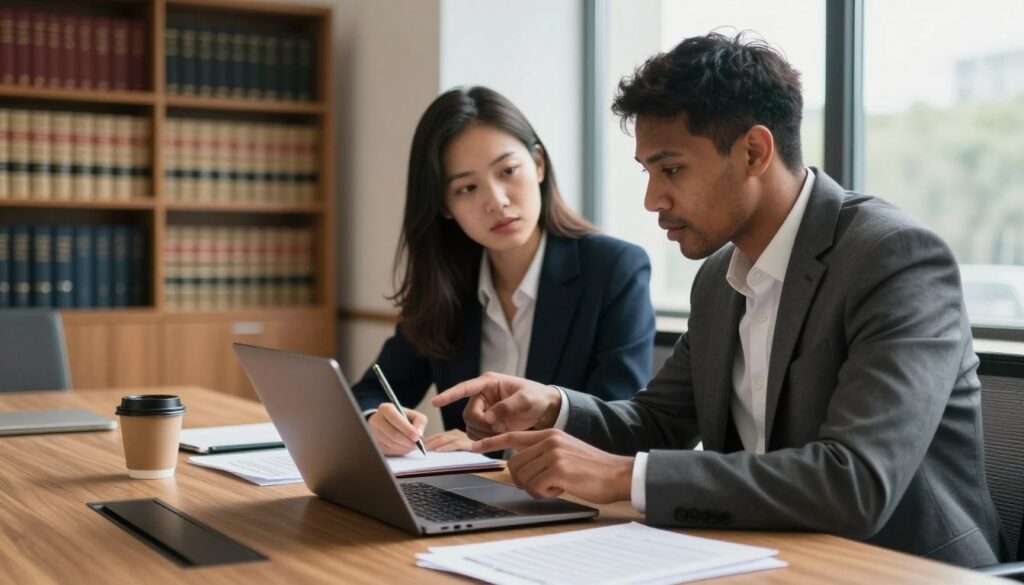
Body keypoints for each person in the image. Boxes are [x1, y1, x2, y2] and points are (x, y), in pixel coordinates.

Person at [433, 33, 1001, 567]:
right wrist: (554, 405)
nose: (654, 199)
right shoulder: (719, 278)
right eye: (647, 172)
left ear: (754, 151)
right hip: (761, 557)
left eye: (671, 168)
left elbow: (855, 481)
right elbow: (659, 423)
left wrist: (622, 477)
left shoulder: (894, 258)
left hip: (898, 569)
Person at [351, 86, 655, 457]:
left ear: (539, 164)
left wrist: (486, 449)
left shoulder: (614, 269)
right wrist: (376, 421)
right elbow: (370, 393)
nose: (496, 200)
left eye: (508, 171)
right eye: (466, 188)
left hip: (573, 503)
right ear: (444, 205)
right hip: (468, 500)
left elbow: (616, 426)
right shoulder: (447, 284)